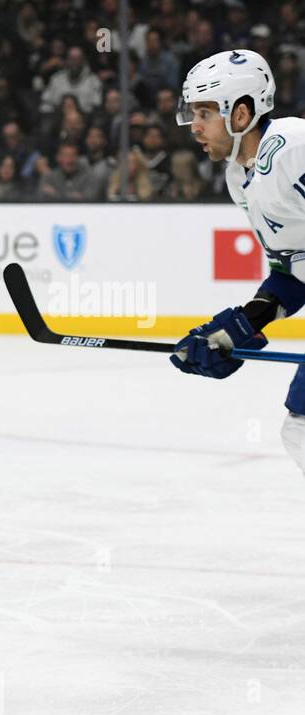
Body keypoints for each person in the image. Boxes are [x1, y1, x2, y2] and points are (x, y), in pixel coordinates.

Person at [170, 51, 305, 480]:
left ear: (242, 112)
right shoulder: (239, 177)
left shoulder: (292, 147)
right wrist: (242, 326)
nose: (196, 127)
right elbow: (293, 273)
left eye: (205, 113)